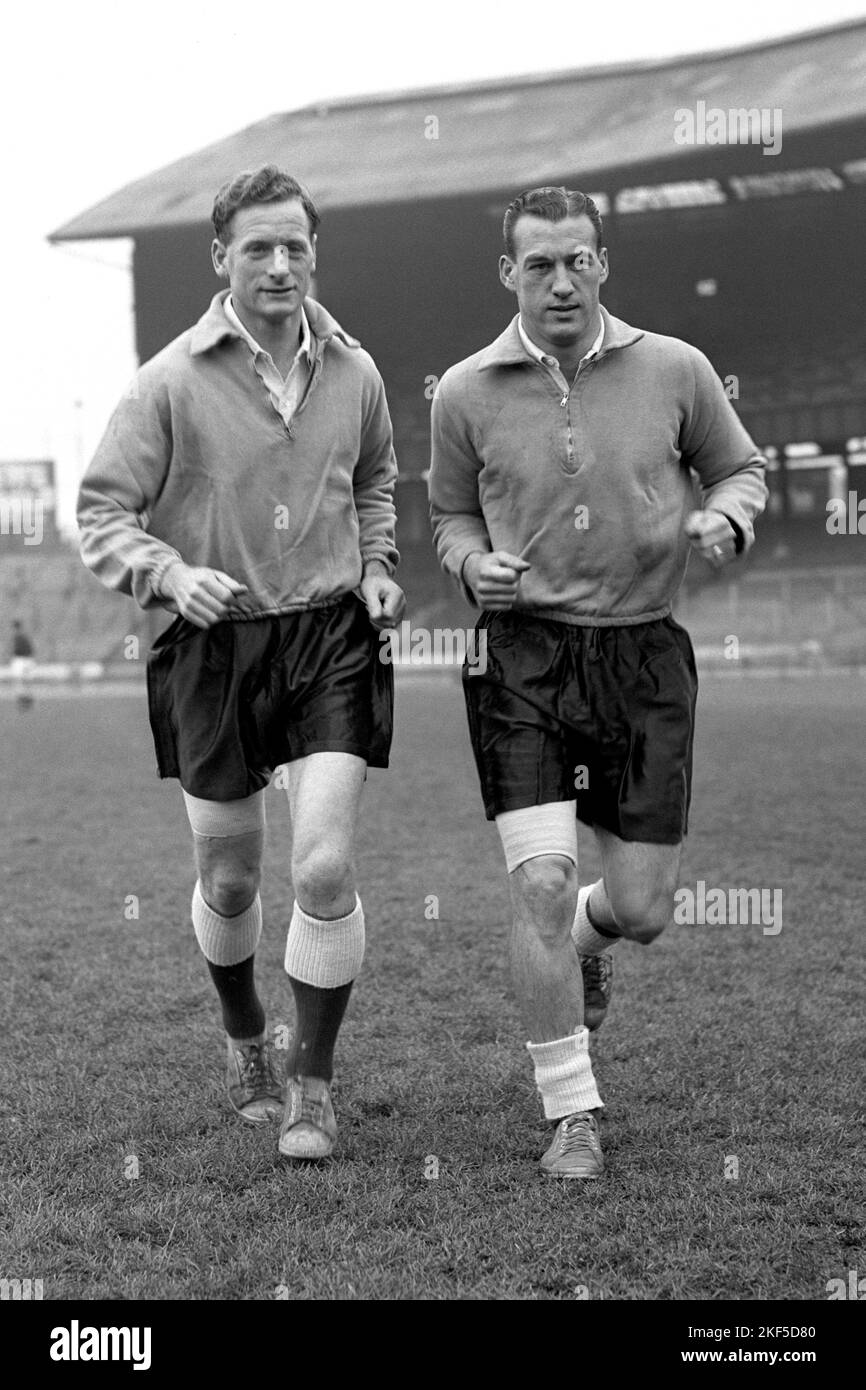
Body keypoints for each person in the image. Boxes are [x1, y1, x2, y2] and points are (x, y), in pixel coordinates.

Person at [428, 186, 767, 1178]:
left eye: (576, 260)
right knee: (536, 878)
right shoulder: (462, 391)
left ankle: (585, 941)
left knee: (643, 906)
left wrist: (727, 518)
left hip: (642, 653)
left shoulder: (675, 368)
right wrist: (464, 564)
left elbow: (738, 470)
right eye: (538, 264)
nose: (560, 280)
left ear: (602, 264)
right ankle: (570, 1109)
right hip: (518, 654)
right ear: (508, 275)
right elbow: (447, 516)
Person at [78, 165, 405, 1161]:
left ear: (314, 254)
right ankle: (241, 1037)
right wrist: (173, 576)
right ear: (221, 257)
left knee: (325, 863)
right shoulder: (170, 379)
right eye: (258, 246)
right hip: (211, 649)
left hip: (328, 638)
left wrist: (381, 567)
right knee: (229, 880)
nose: (279, 263)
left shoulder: (356, 370)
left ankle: (310, 1081)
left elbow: (379, 480)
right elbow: (100, 517)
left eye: (295, 245)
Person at [10, 619, 36, 711]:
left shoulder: (19, 637)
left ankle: (24, 695)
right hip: (26, 659)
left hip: (22, 660)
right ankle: (25, 695)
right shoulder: (21, 636)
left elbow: (20, 650)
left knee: (20, 679)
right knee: (25, 680)